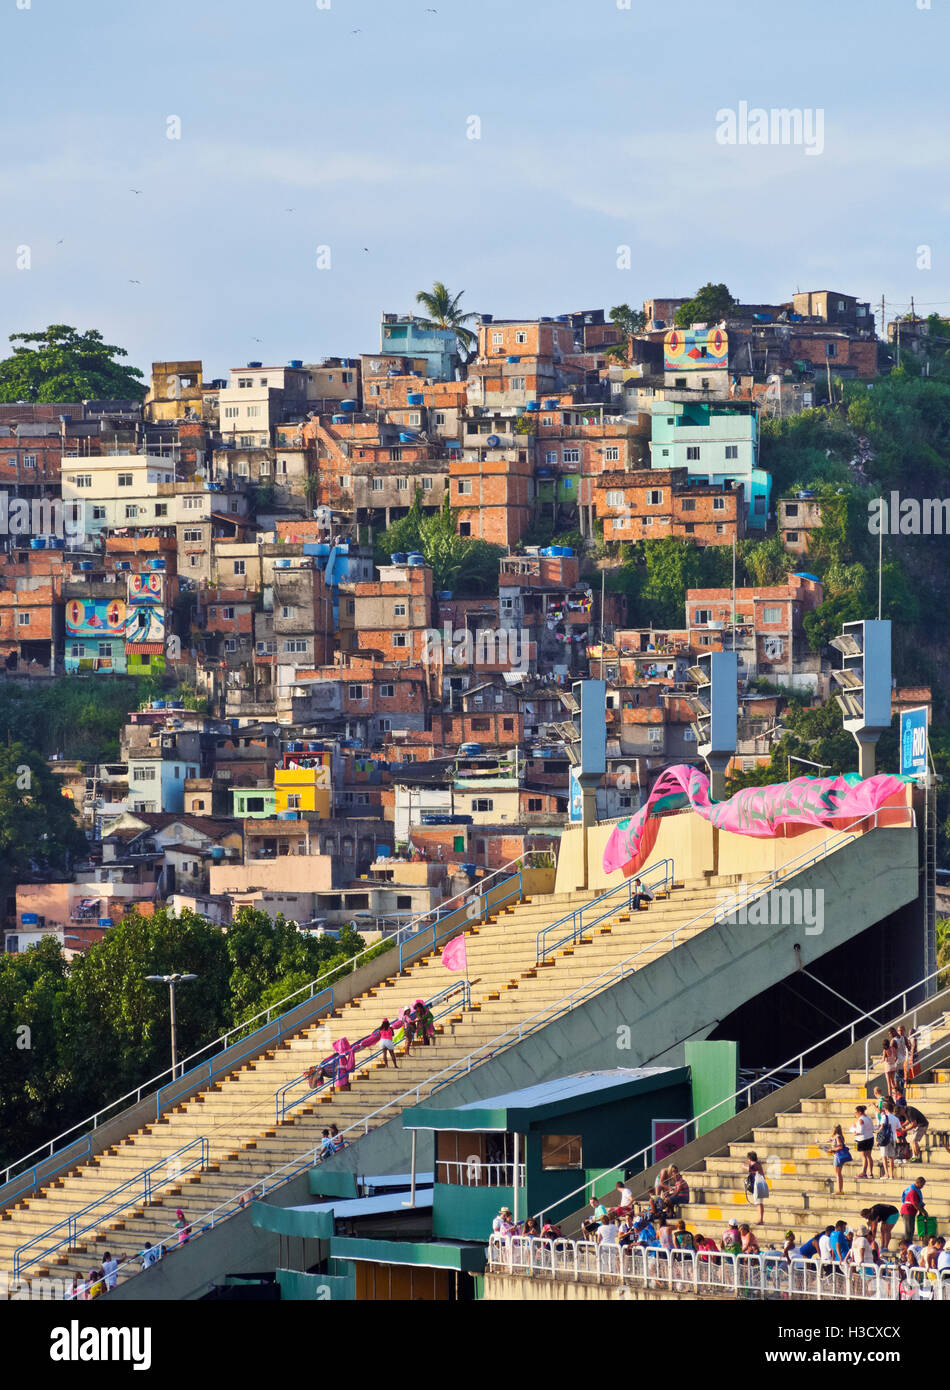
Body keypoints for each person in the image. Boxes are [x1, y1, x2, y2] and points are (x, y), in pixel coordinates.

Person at [899, 1176, 927, 1241]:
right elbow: (914, 1203)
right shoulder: (913, 1191)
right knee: (909, 1230)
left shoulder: (916, 1190)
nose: (922, 1186)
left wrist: (923, 1209)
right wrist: (922, 1211)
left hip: (911, 1212)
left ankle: (909, 1243)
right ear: (918, 1183)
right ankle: (907, 1245)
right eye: (922, 1184)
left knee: (911, 1229)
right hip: (907, 1211)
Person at [827, 1124, 853, 1194]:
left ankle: (840, 1190)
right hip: (837, 1156)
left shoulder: (837, 1137)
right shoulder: (838, 1136)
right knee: (838, 1173)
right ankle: (840, 1190)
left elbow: (840, 1147)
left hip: (837, 1156)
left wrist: (832, 1149)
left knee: (838, 1174)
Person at [852, 1104, 876, 1180]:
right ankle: (870, 1172)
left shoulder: (861, 1119)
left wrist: (854, 1131)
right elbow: (872, 1128)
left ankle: (863, 1172)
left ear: (859, 1112)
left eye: (856, 1112)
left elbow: (860, 1131)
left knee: (864, 1157)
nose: (855, 1114)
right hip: (870, 1138)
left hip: (862, 1139)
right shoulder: (868, 1117)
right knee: (869, 1156)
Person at [877, 1100, 899, 1180]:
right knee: (891, 1157)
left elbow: (882, 1127)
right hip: (892, 1138)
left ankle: (886, 1173)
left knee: (884, 1156)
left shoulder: (884, 1117)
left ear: (886, 1109)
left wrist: (877, 1133)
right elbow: (899, 1129)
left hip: (884, 1139)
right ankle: (891, 1174)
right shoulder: (895, 1118)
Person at [745, 1151, 767, 1225]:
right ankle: (761, 1219)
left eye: (748, 1159)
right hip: (760, 1184)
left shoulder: (755, 1165)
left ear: (750, 1159)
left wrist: (744, 1167)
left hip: (758, 1185)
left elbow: (751, 1169)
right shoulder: (757, 1164)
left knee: (759, 1203)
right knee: (759, 1203)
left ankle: (760, 1220)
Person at [881, 1031, 900, 1102]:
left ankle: (890, 1097)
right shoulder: (893, 1049)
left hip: (887, 1067)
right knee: (893, 1082)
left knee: (888, 1083)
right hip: (893, 1066)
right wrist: (893, 1062)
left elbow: (883, 1059)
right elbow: (896, 1057)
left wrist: (881, 1061)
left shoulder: (885, 1050)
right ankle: (896, 1094)